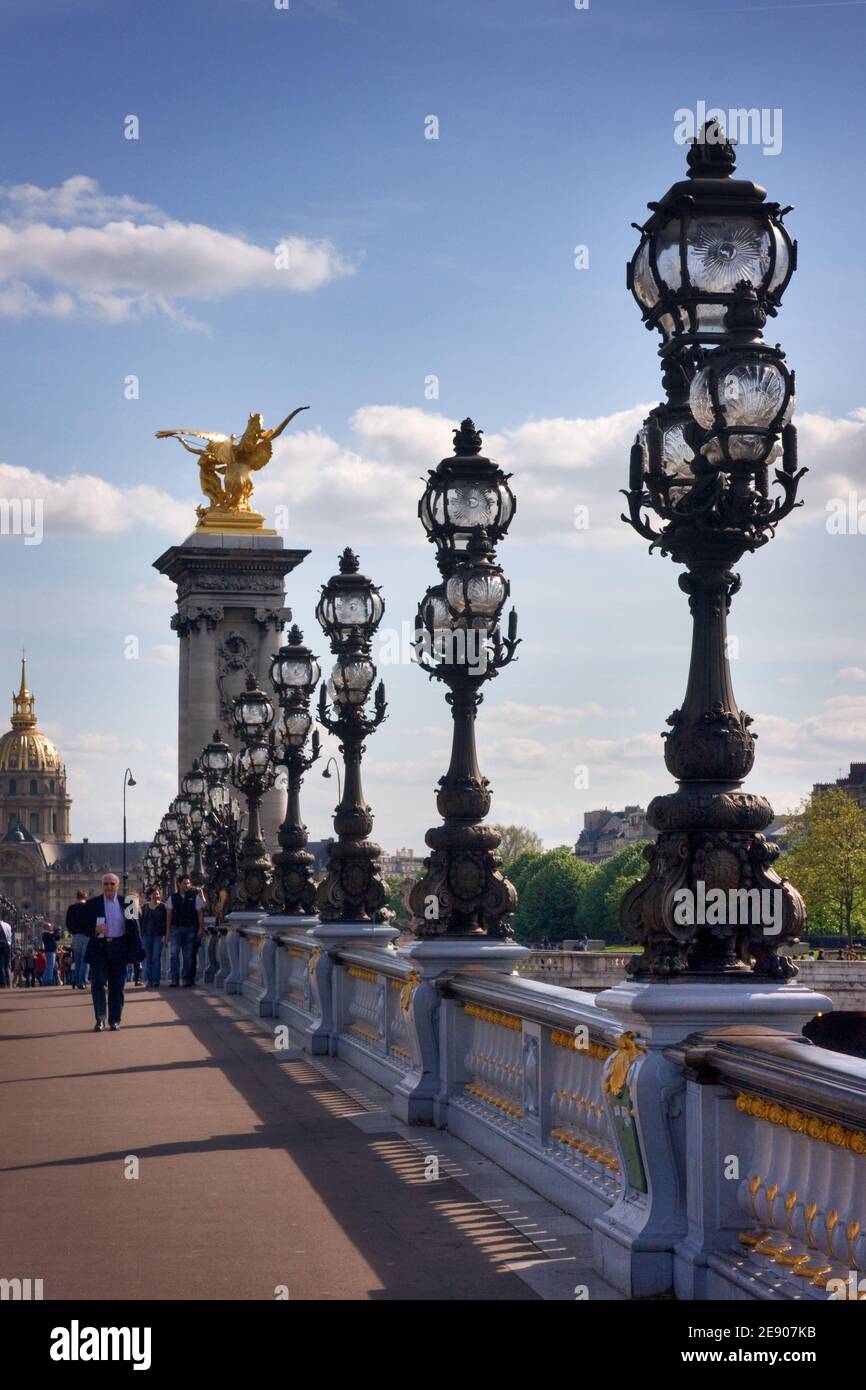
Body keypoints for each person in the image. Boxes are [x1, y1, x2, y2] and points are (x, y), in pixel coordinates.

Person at [83, 874, 144, 1032]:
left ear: (117, 885)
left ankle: (115, 1020)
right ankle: (100, 1019)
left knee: (117, 986)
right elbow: (81, 925)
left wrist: (137, 951)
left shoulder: (128, 903)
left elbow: (136, 929)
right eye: (105, 884)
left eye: (111, 884)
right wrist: (94, 929)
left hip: (120, 947)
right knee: (98, 984)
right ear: (102, 885)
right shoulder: (92, 903)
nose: (108, 887)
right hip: (100, 947)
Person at [166, 876, 205, 988]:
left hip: (190, 929)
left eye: (188, 883)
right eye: (184, 883)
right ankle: (175, 979)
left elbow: (200, 913)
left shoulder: (194, 897)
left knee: (188, 956)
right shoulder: (172, 898)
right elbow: (168, 914)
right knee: (174, 954)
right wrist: (167, 931)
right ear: (179, 884)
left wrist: (201, 928)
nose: (187, 885)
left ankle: (186, 979)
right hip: (176, 928)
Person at [140, 888, 168, 988]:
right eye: (154, 894)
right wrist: (141, 935)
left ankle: (156, 980)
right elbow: (142, 921)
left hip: (159, 935)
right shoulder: (145, 907)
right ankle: (149, 980)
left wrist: (165, 935)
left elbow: (166, 922)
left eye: (157, 894)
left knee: (156, 958)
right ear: (150, 895)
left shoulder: (163, 906)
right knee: (148, 958)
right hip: (146, 935)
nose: (156, 896)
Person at [66, 890, 90, 990]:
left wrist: (73, 931)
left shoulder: (71, 908)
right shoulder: (89, 908)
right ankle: (82, 981)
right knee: (86, 959)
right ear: (86, 897)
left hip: (76, 936)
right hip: (87, 936)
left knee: (77, 960)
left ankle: (75, 980)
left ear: (77, 897)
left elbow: (68, 923)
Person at [0, 917, 12, 988]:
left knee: (1, 965)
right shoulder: (7, 925)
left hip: (1, 946)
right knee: (6, 965)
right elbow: (10, 936)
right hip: (8, 946)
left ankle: (2, 982)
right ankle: (8, 982)